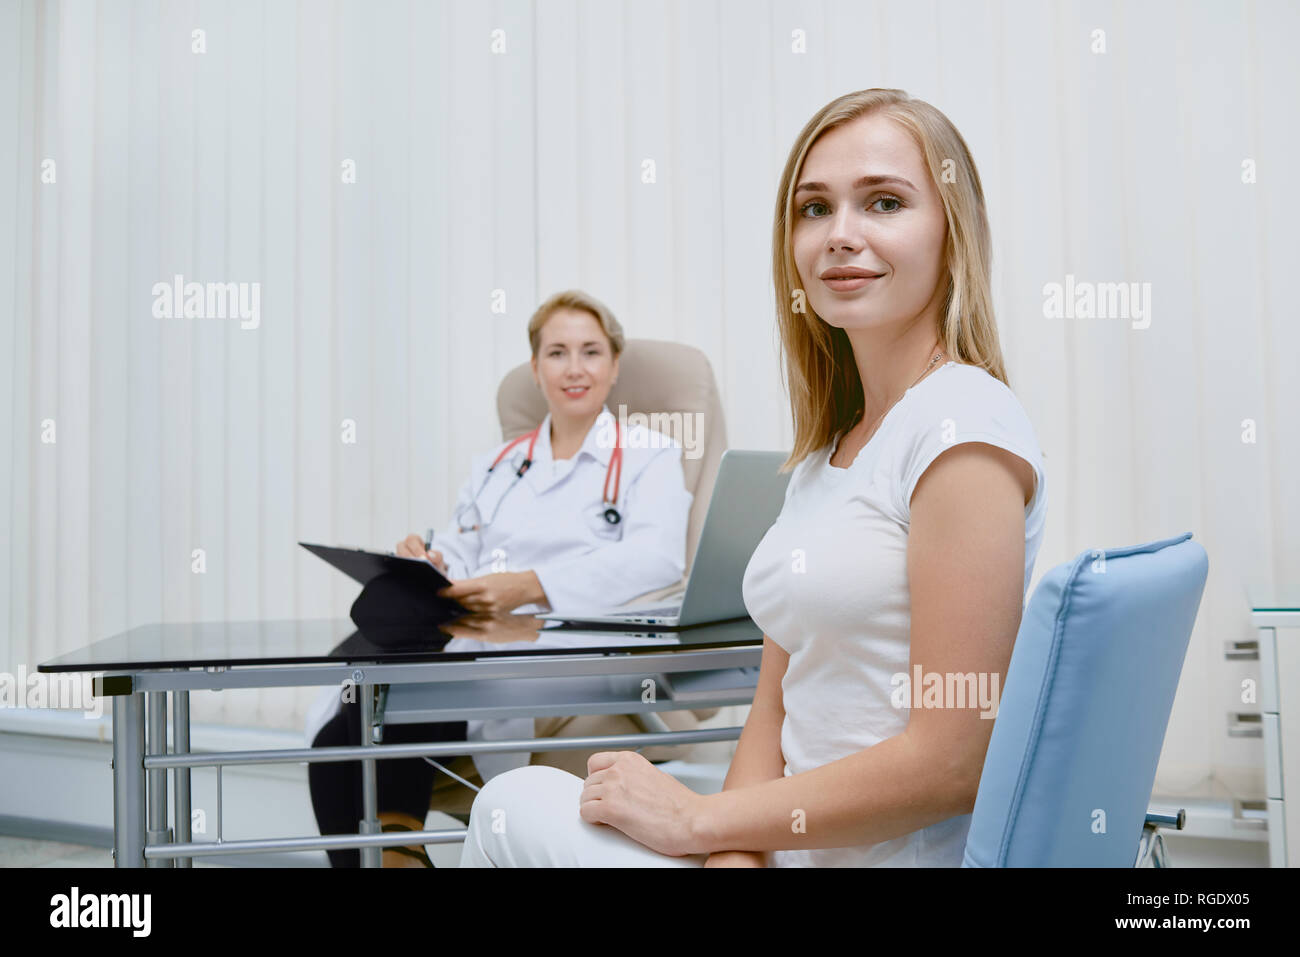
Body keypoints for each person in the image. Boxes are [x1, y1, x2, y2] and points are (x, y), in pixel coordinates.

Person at [458, 87, 1049, 867]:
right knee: (542, 795)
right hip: (779, 849)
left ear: (952, 231)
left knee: (507, 807)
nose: (841, 234)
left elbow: (952, 763)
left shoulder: (962, 427)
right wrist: (732, 852)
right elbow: (771, 712)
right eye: (814, 208)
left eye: (883, 202)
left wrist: (703, 825)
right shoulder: (824, 456)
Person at [306, 289, 699, 866]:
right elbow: (464, 549)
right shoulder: (499, 462)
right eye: (557, 352)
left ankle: (397, 848)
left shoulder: (650, 456)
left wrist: (530, 586)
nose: (574, 368)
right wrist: (432, 563)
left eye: (590, 352)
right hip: (479, 642)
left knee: (408, 693)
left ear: (614, 366)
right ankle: (399, 851)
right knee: (348, 724)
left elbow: (656, 560)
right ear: (536, 370)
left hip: (576, 648)